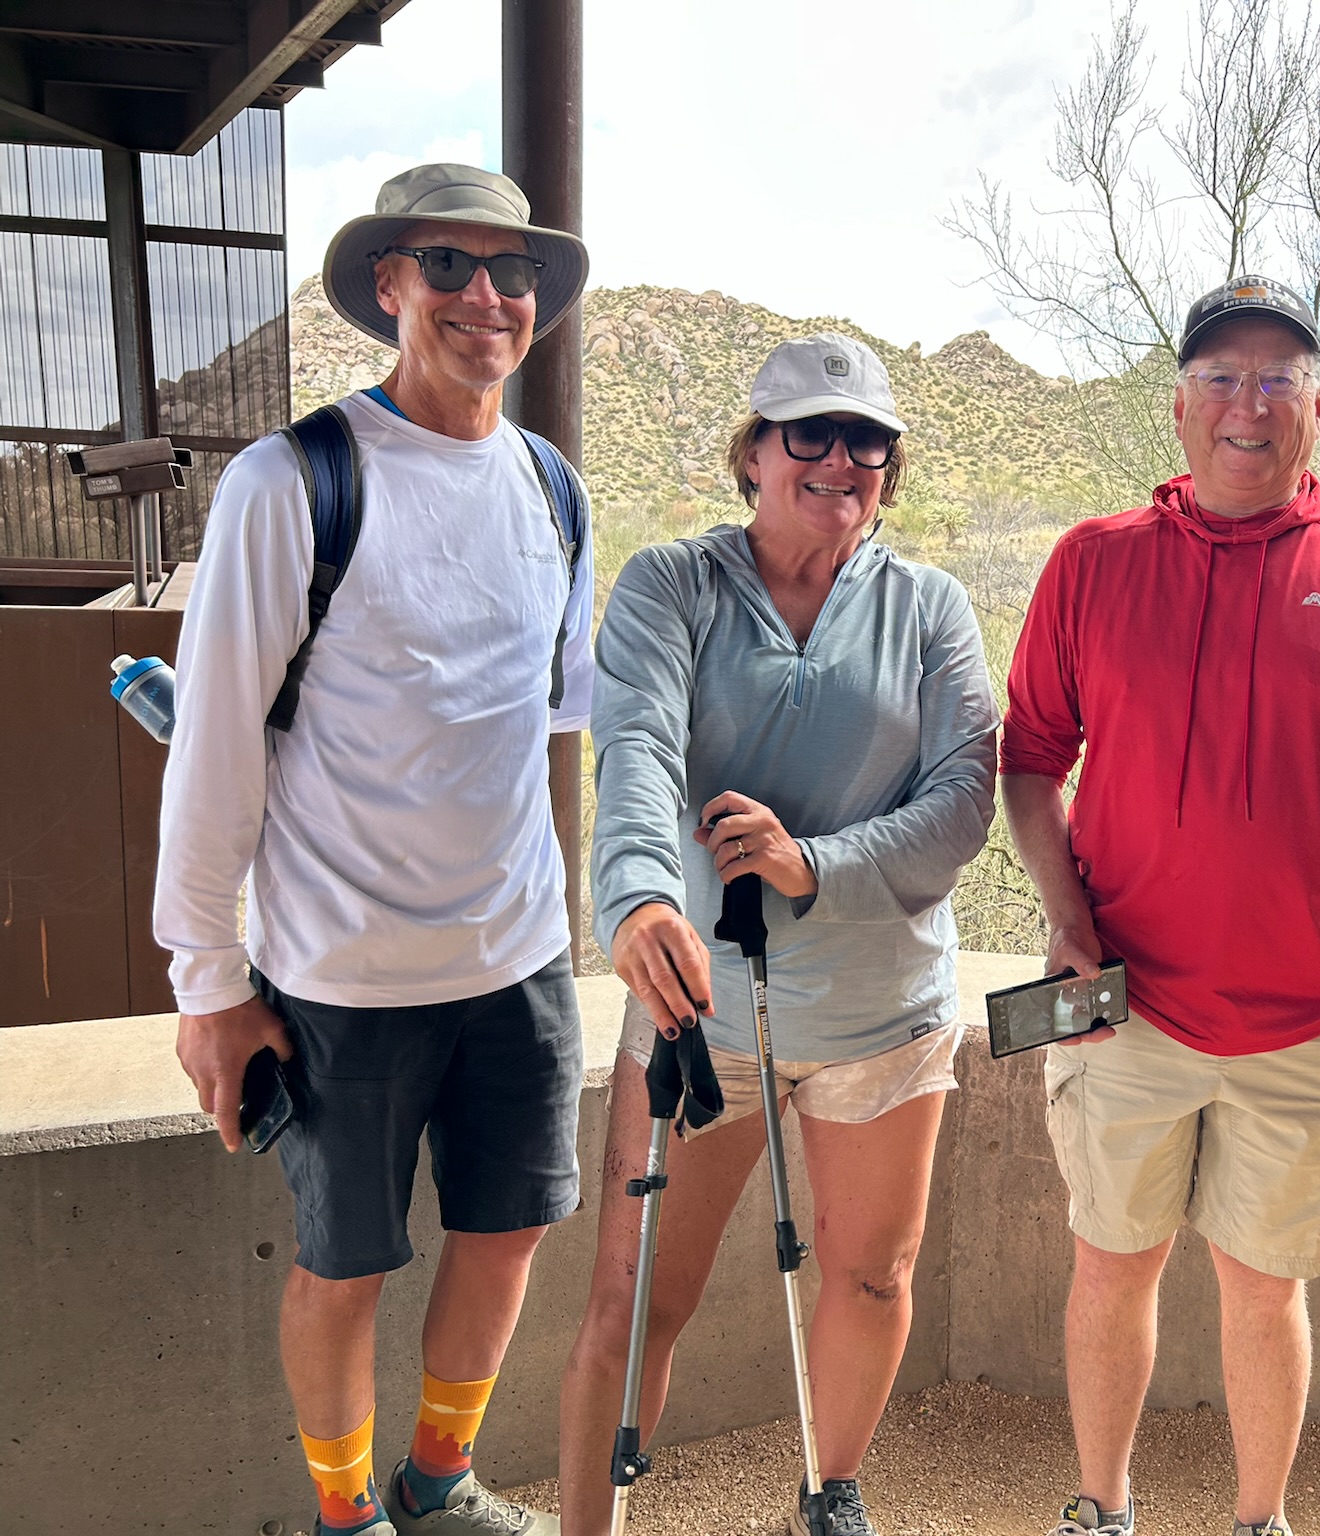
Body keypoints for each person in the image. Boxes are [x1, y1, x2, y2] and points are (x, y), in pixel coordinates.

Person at [999, 275, 1320, 1536]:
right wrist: (1064, 920)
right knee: (1110, 1270)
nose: (1249, 403)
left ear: (1317, 409)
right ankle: (1099, 1507)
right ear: (1178, 410)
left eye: (1278, 378)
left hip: (1306, 1016)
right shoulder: (1091, 562)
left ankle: (1256, 1519)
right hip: (1122, 1013)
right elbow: (1025, 760)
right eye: (1221, 378)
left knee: (1260, 1285)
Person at [158, 163, 595, 1536]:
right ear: (389, 286)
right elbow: (217, 741)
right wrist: (208, 985)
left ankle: (438, 1482)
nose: (487, 296)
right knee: (343, 1267)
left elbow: (561, 692)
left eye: (511, 271)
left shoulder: (549, 485)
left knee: (508, 1231)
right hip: (340, 975)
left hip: (519, 953)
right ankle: (347, 1518)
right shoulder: (294, 482)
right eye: (450, 265)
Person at [556, 334, 999, 1536]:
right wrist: (642, 894)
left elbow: (965, 794)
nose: (839, 459)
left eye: (866, 441)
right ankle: (593, 1521)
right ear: (752, 452)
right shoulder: (670, 585)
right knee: (636, 1295)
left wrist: (817, 863)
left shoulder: (929, 608)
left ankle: (831, 1489)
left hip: (881, 1015)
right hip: (701, 1012)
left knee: (872, 1274)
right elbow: (637, 746)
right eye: (807, 432)